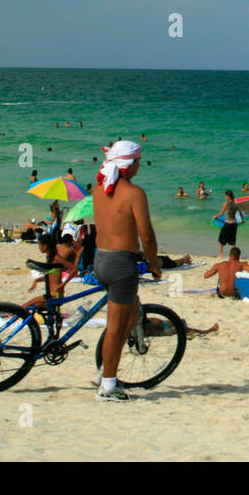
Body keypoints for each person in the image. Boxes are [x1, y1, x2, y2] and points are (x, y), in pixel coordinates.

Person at [91, 141, 160, 402]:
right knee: (116, 328)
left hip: (101, 258)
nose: (139, 165)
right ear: (128, 165)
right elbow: (147, 236)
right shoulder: (135, 193)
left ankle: (105, 371)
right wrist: (154, 263)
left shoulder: (99, 189)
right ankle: (108, 386)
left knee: (130, 316)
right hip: (121, 264)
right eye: (138, 161)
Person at [212, 190, 239, 260]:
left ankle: (221, 255)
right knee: (232, 241)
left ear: (228, 196)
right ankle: (233, 256)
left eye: (225, 196)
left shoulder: (226, 204)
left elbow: (221, 213)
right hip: (234, 224)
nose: (225, 197)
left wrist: (215, 216)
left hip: (228, 224)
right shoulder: (236, 203)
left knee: (221, 240)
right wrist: (242, 220)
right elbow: (240, 213)